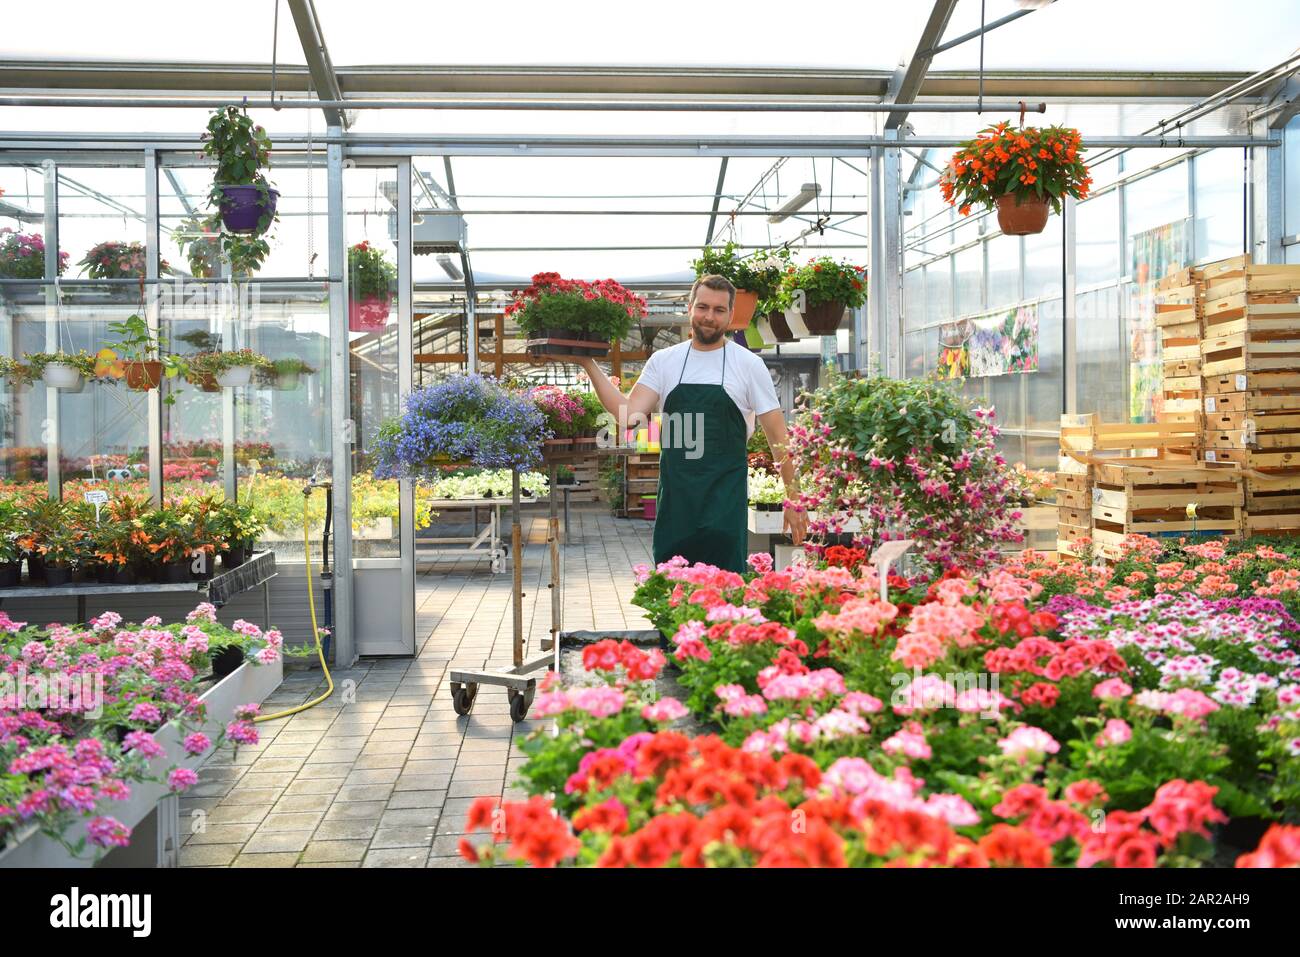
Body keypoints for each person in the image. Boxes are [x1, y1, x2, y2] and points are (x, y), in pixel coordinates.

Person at [577, 274, 807, 573]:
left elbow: (778, 437)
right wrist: (587, 363)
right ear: (689, 308)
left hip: (724, 506)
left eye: (719, 310)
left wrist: (794, 498)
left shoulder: (748, 365)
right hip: (677, 507)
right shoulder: (664, 361)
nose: (709, 317)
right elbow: (627, 415)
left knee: (726, 599)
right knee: (672, 595)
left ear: (730, 315)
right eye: (703, 307)